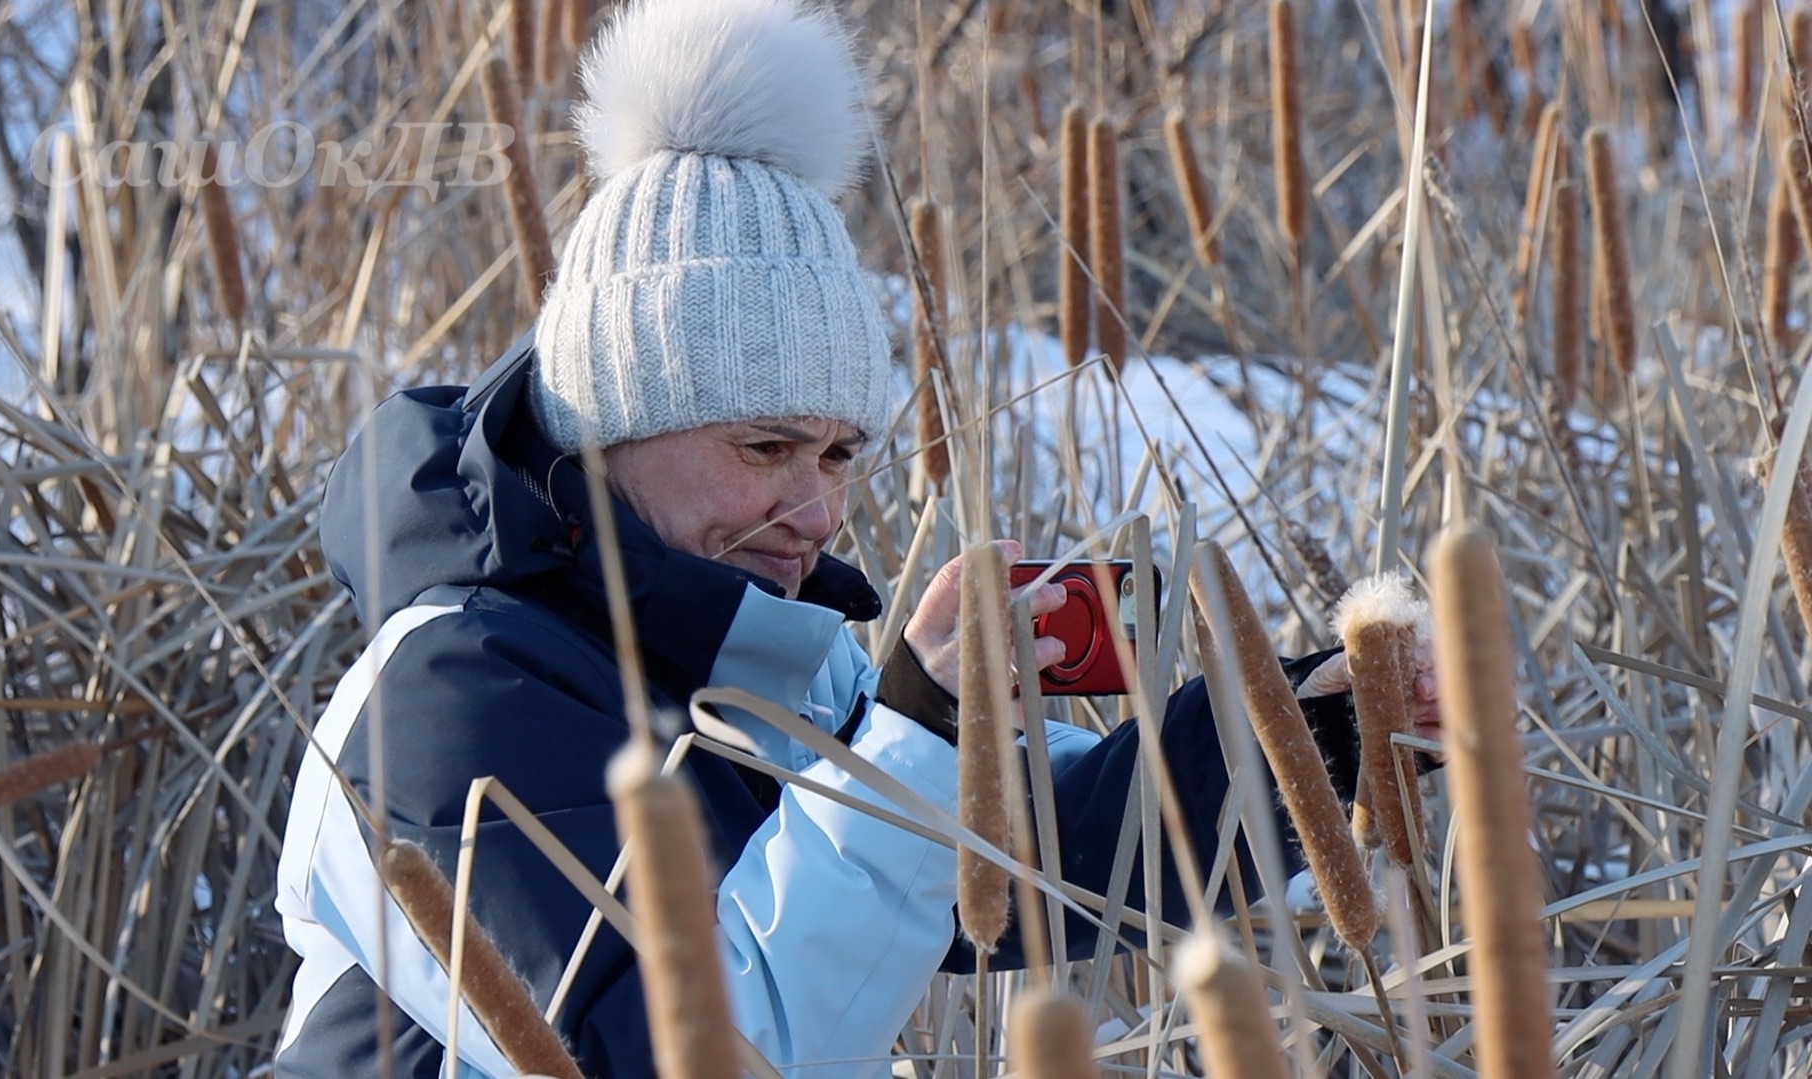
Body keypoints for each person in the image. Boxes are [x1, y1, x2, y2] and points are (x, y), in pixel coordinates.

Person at [272, 1, 1439, 1075]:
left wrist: (1311, 737)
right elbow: (710, 1049)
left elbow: (1047, 853)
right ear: (612, 424)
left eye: (837, 456)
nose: (820, 511)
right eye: (765, 448)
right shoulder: (446, 695)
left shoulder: (753, 661)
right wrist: (913, 743)